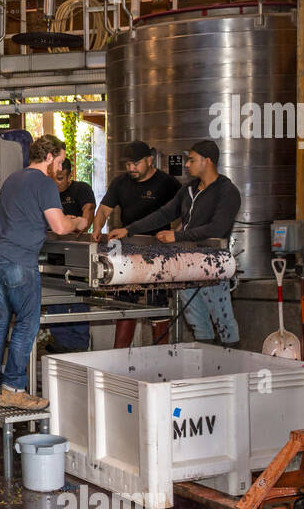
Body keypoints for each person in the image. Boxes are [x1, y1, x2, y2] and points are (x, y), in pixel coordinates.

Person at [0, 134, 88, 409]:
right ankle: (13, 389)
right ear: (50, 157)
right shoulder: (44, 183)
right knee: (27, 324)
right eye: (61, 161)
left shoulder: (12, 179)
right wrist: (78, 221)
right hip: (19, 261)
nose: (61, 169)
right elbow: (60, 227)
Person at [107, 139, 242, 346]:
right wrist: (128, 229)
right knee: (198, 322)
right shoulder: (189, 189)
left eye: (191, 160)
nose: (186, 165)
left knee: (224, 323)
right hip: (187, 265)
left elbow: (217, 229)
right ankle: (204, 369)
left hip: (213, 266)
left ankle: (231, 369)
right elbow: (164, 214)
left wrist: (177, 237)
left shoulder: (227, 191)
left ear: (208, 161)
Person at [90, 141, 181, 348]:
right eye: (128, 164)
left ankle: (162, 356)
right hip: (127, 252)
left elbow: (185, 211)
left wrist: (176, 235)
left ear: (150, 160)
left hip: (158, 253)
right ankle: (119, 354)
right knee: (125, 303)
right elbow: (103, 210)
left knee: (157, 304)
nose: (131, 168)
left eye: (136, 163)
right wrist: (97, 228)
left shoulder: (168, 183)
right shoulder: (120, 182)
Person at [45, 156, 96, 353]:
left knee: (79, 298)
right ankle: (61, 343)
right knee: (53, 297)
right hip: (52, 252)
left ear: (69, 176)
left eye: (60, 178)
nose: (56, 182)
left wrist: (81, 224)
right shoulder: (47, 191)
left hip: (77, 254)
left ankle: (80, 345)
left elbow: (88, 211)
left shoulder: (81, 189)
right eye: (53, 177)